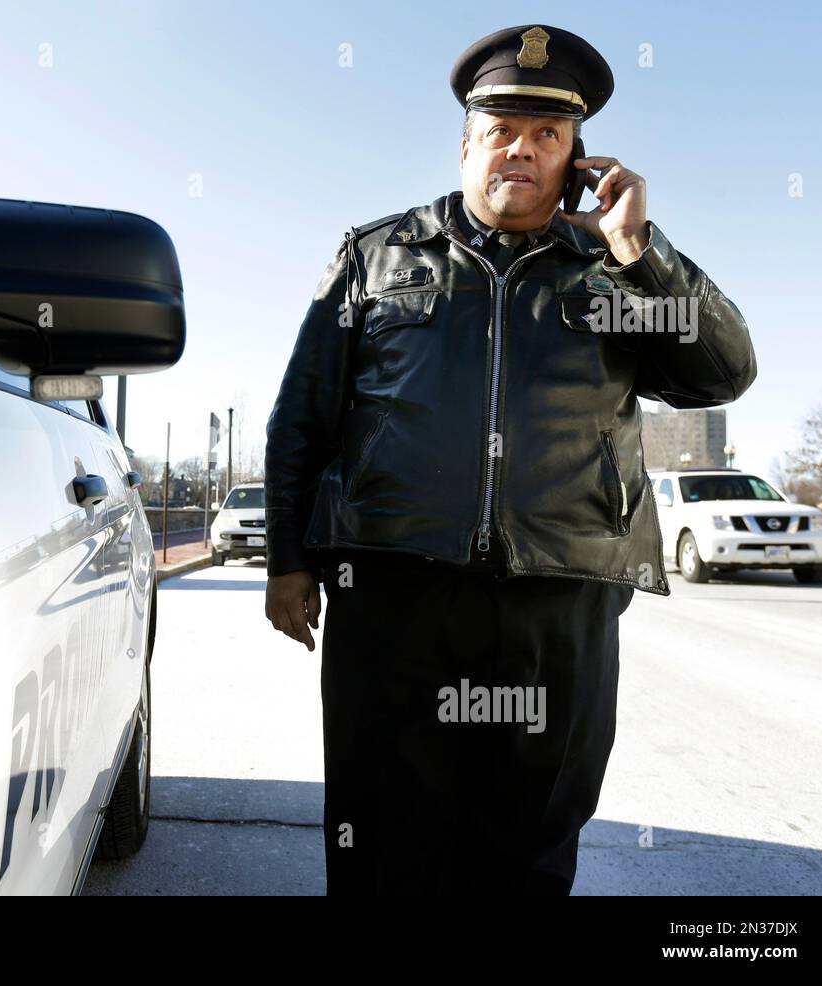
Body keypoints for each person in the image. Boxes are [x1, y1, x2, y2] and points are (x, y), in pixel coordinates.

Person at [263, 24, 757, 894]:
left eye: (547, 137)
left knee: (527, 848)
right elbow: (301, 418)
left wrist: (642, 251)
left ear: (579, 161)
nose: (520, 151)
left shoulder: (612, 276)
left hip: (558, 604)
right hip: (392, 599)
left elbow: (722, 374)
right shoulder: (374, 258)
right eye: (501, 130)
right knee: (381, 842)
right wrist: (288, 562)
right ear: (465, 145)